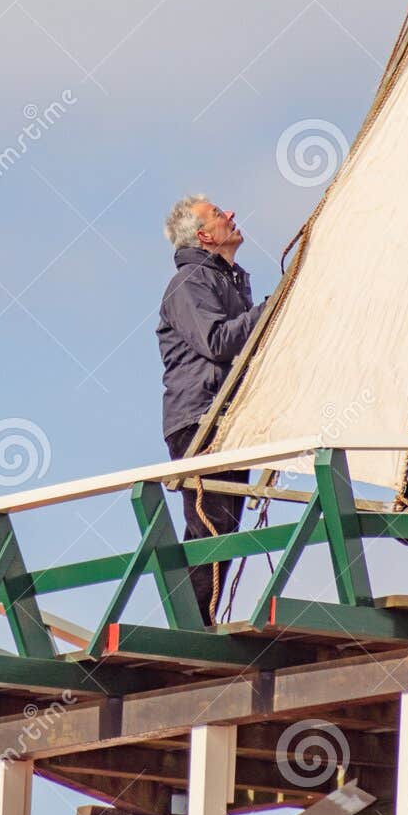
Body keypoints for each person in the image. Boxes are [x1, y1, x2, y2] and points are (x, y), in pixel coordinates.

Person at [157, 196, 266, 624]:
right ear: (204, 235)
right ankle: (192, 630)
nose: (232, 214)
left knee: (220, 530)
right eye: (220, 214)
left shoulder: (227, 281)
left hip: (224, 420)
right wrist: (269, 311)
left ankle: (195, 626)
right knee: (210, 529)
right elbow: (218, 341)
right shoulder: (189, 283)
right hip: (200, 421)